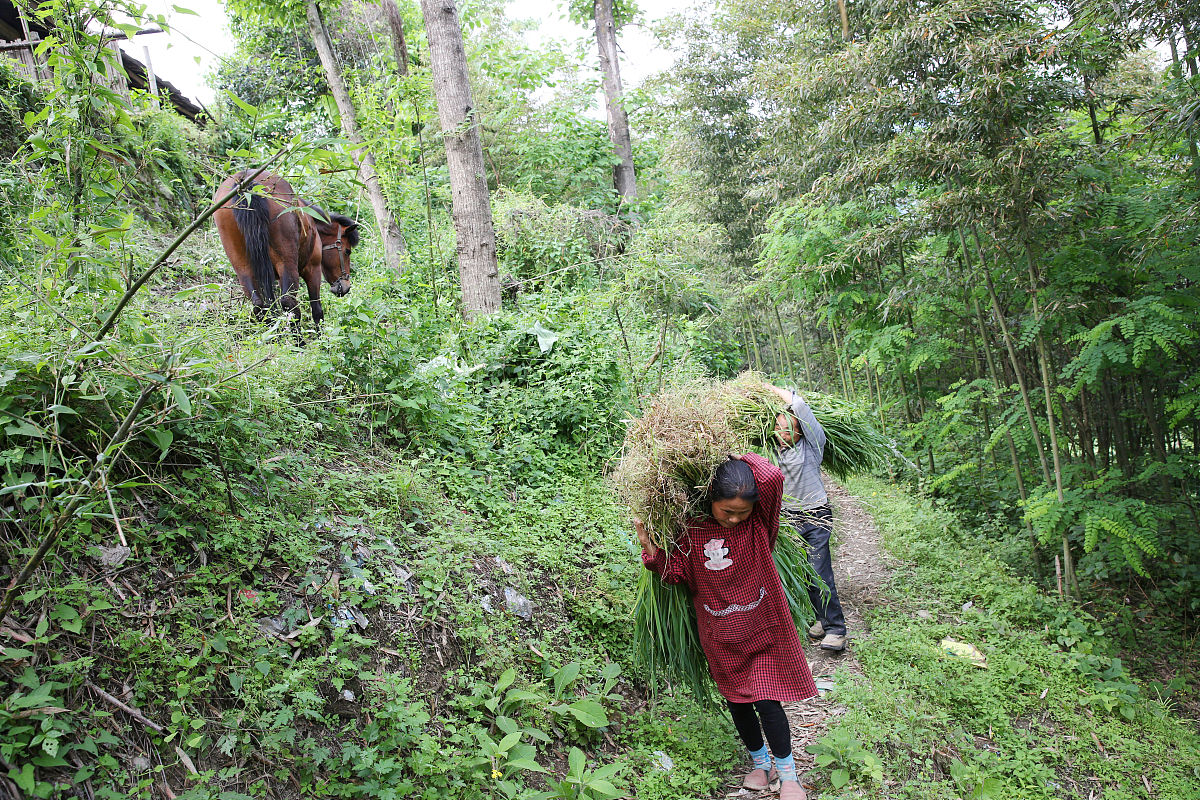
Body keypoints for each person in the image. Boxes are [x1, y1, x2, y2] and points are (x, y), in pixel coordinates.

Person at [635, 454, 815, 800]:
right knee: (738, 702)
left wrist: (727, 456)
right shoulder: (691, 529)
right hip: (719, 636)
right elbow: (677, 574)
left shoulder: (759, 525)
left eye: (741, 512)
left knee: (767, 701)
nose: (734, 518)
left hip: (763, 630)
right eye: (727, 511)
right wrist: (650, 550)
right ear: (710, 499)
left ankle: (789, 775)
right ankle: (761, 764)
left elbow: (772, 477)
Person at [767, 384, 846, 652]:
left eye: (788, 429)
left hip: (816, 517)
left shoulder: (812, 446)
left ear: (801, 430)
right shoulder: (771, 452)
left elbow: (799, 405)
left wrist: (767, 388)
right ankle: (822, 619)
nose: (783, 434)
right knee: (803, 574)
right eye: (778, 429)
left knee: (819, 571)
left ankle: (836, 630)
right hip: (789, 520)